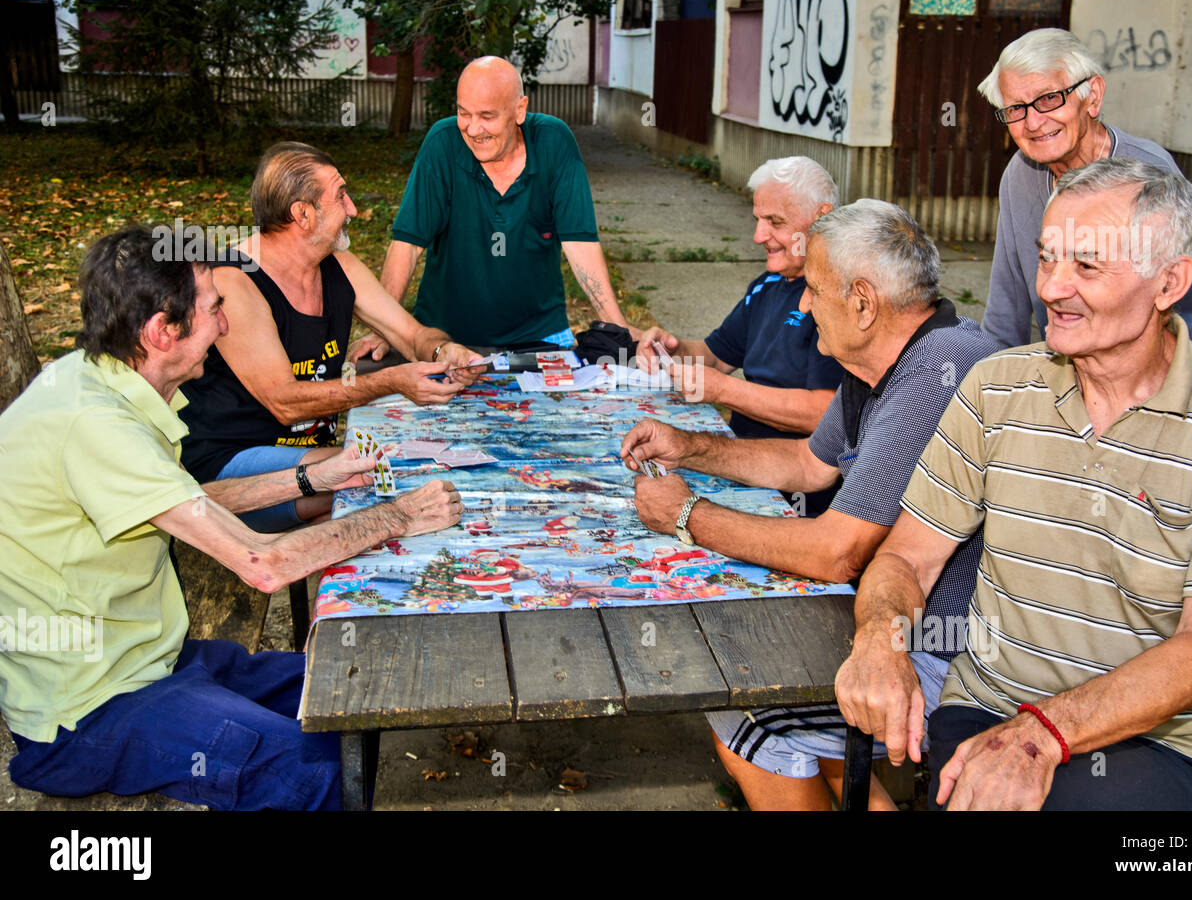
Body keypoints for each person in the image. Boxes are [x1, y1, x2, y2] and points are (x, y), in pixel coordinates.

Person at [835, 159, 1192, 811]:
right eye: (1047, 257)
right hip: (992, 706)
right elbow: (907, 557)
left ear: (1170, 282)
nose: (1052, 287)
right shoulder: (995, 388)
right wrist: (880, 640)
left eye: (1087, 265)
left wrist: (1045, 734)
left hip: (1163, 739)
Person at [0, 227, 467, 810]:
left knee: (354, 689)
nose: (225, 325)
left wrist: (314, 477)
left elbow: (188, 498)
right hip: (88, 710)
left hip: (151, 658)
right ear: (163, 331)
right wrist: (395, 517)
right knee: (321, 770)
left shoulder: (104, 378)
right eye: (214, 309)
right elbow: (264, 564)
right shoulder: (96, 426)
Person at [619, 200, 1001, 809]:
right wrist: (689, 446)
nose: (802, 303)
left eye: (814, 290)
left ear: (863, 302)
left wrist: (687, 517)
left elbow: (836, 553)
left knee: (750, 722)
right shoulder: (891, 353)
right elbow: (806, 463)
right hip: (902, 622)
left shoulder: (936, 370)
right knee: (769, 692)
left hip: (956, 656)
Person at [178, 141, 479, 533]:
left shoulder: (339, 266)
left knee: (402, 476)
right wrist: (390, 381)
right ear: (302, 214)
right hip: (231, 465)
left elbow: (411, 334)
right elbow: (285, 403)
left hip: (312, 460)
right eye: (340, 196)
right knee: (391, 480)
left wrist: (443, 350)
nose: (352, 209)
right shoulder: (234, 281)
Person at [351, 56, 639, 356]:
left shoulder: (554, 143)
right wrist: (383, 330)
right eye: (464, 113)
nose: (473, 129)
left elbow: (580, 245)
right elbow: (407, 245)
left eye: (487, 116)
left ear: (520, 110)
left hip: (542, 336)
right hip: (445, 340)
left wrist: (618, 329)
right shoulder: (442, 144)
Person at [977, 27, 1192, 354]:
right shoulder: (1020, 175)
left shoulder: (1150, 174)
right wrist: (992, 377)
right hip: (1065, 361)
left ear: (1092, 96)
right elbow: (1006, 307)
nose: (1033, 123)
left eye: (1049, 98)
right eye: (1016, 108)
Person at [635, 157, 845, 514]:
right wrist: (669, 348)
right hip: (740, 464)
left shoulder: (837, 298)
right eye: (758, 220)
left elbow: (824, 413)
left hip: (799, 495)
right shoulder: (768, 284)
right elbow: (717, 356)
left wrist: (722, 390)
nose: (759, 236)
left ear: (822, 217)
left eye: (775, 222)